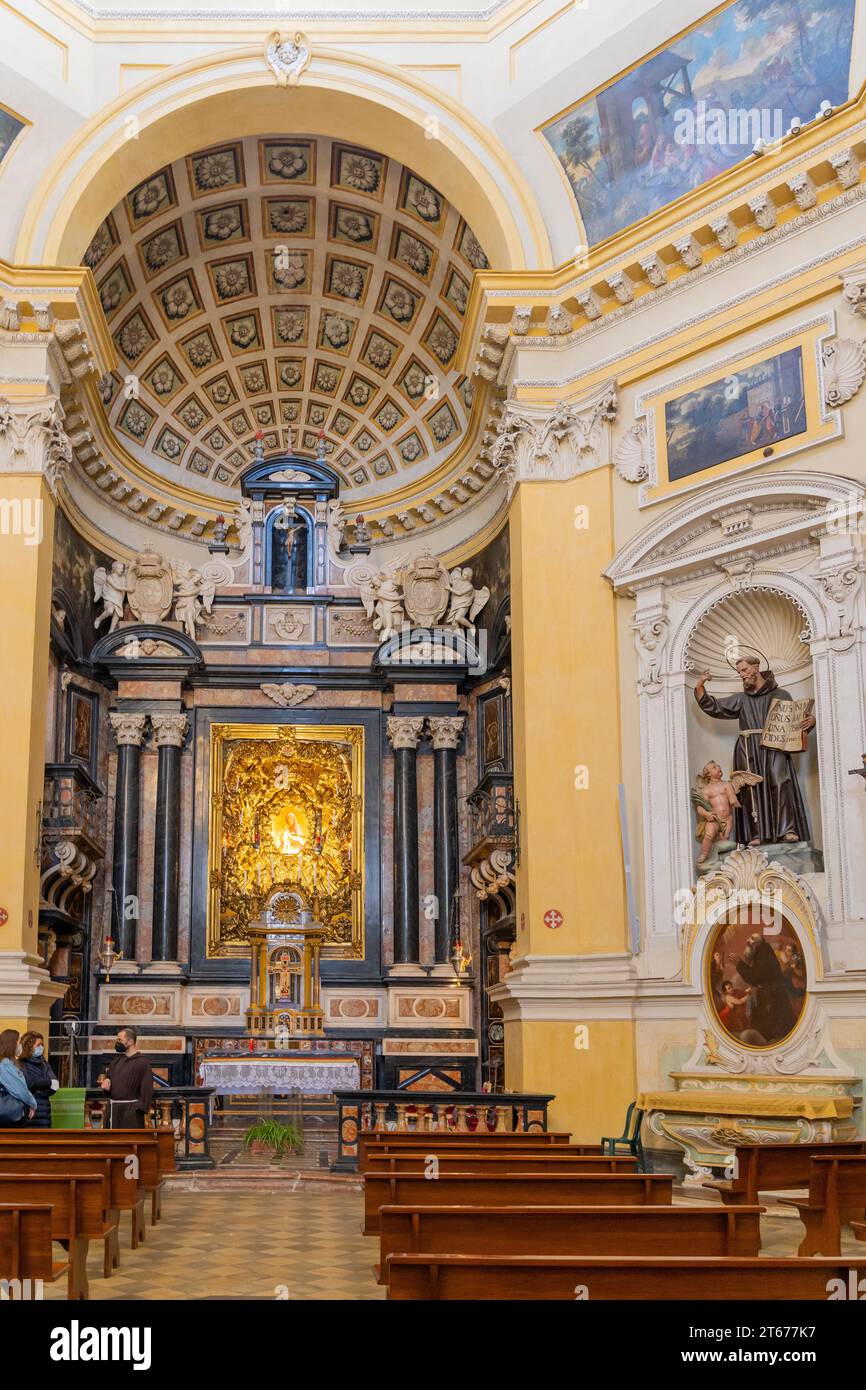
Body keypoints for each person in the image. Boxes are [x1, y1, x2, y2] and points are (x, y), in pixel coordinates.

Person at [694, 656, 814, 845]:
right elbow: (714, 706)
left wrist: (810, 722)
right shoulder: (741, 699)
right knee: (750, 789)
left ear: (756, 668)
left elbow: (793, 723)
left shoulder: (781, 694)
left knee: (780, 782)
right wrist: (700, 685)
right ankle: (755, 834)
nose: (741, 675)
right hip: (747, 747)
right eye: (739, 672)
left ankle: (787, 829)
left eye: (744, 670)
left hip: (775, 746)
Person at [99, 1027, 153, 1129]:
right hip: (113, 1110)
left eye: (120, 1040)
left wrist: (137, 1109)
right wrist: (106, 1080)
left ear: (130, 1041)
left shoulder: (143, 1062)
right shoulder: (116, 1061)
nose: (117, 1042)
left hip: (131, 1113)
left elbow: (147, 1088)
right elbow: (109, 1078)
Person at [18, 1031, 59, 1127]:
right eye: (38, 1045)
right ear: (29, 1046)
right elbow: (29, 1083)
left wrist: (39, 1090)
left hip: (46, 1113)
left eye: (42, 1044)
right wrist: (47, 1083)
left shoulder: (44, 1063)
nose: (41, 1047)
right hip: (30, 1115)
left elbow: (55, 1086)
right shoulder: (21, 1064)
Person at [0, 1029, 37, 1127]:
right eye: (19, 1042)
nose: (21, 1045)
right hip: (10, 1115)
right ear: (12, 1043)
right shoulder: (5, 1064)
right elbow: (20, 1090)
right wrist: (33, 1104)